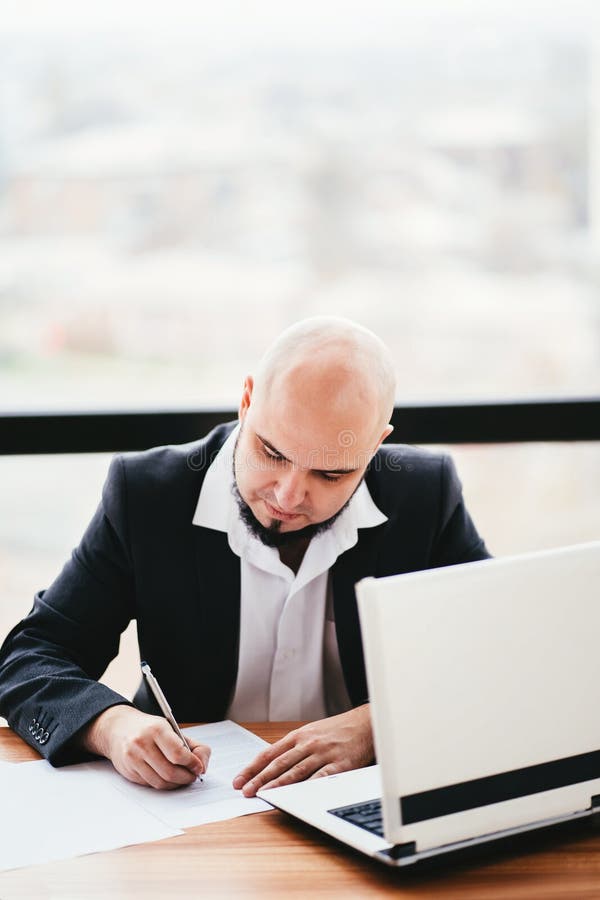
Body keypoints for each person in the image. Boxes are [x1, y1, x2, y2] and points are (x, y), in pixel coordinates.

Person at [0, 317, 490, 796]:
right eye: (273, 453)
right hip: (197, 807)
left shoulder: (425, 494)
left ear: (375, 444)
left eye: (331, 474)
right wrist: (111, 725)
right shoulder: (148, 495)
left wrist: (378, 726)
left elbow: (499, 649)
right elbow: (30, 658)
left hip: (359, 798)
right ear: (247, 401)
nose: (289, 495)